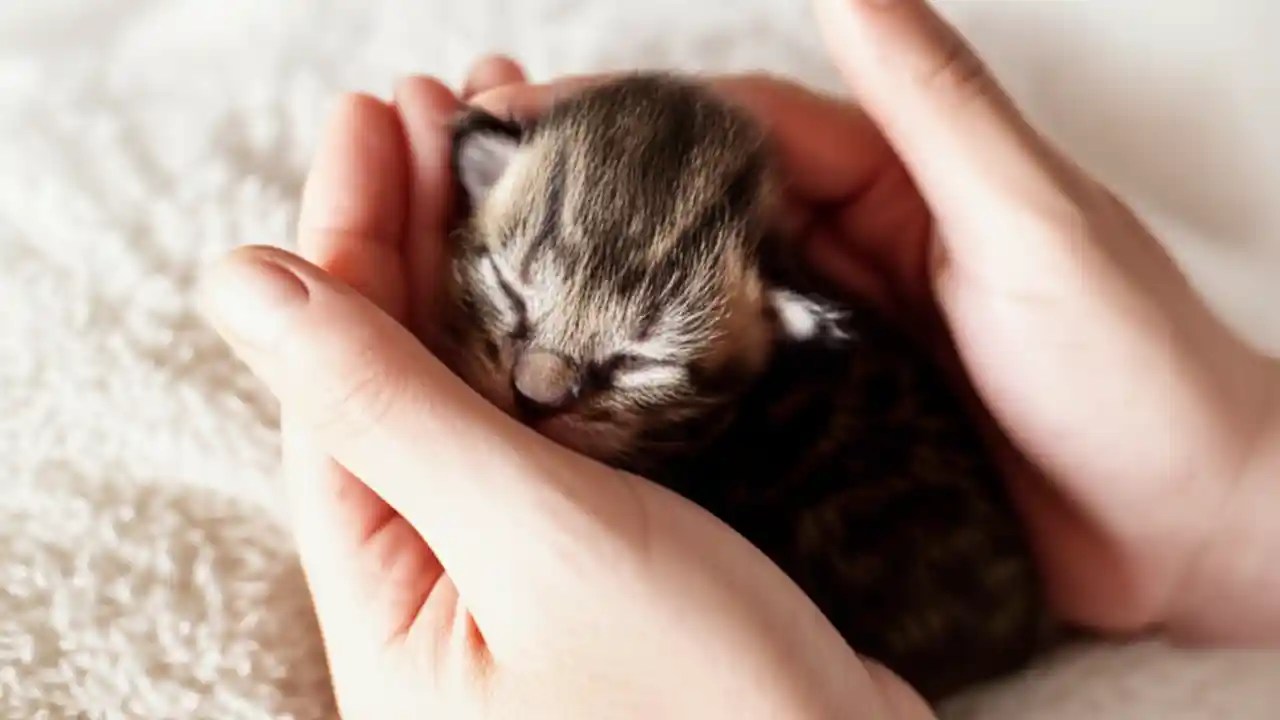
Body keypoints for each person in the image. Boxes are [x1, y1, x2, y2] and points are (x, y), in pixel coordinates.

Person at [199, 0, 1280, 716]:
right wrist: (1223, 511)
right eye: (514, 301)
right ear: (486, 181)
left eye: (635, 358)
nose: (538, 382)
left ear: (776, 318)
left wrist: (1223, 504)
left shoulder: (791, 361)